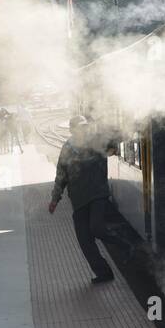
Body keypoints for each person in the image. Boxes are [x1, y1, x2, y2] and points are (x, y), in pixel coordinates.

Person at [49, 117, 123, 284]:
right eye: (79, 128)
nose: (82, 131)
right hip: (79, 199)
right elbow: (61, 175)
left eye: (84, 128)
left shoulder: (97, 141)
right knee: (84, 240)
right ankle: (104, 273)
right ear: (72, 130)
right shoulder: (67, 148)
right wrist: (55, 199)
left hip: (97, 194)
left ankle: (125, 246)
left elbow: (115, 144)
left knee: (97, 228)